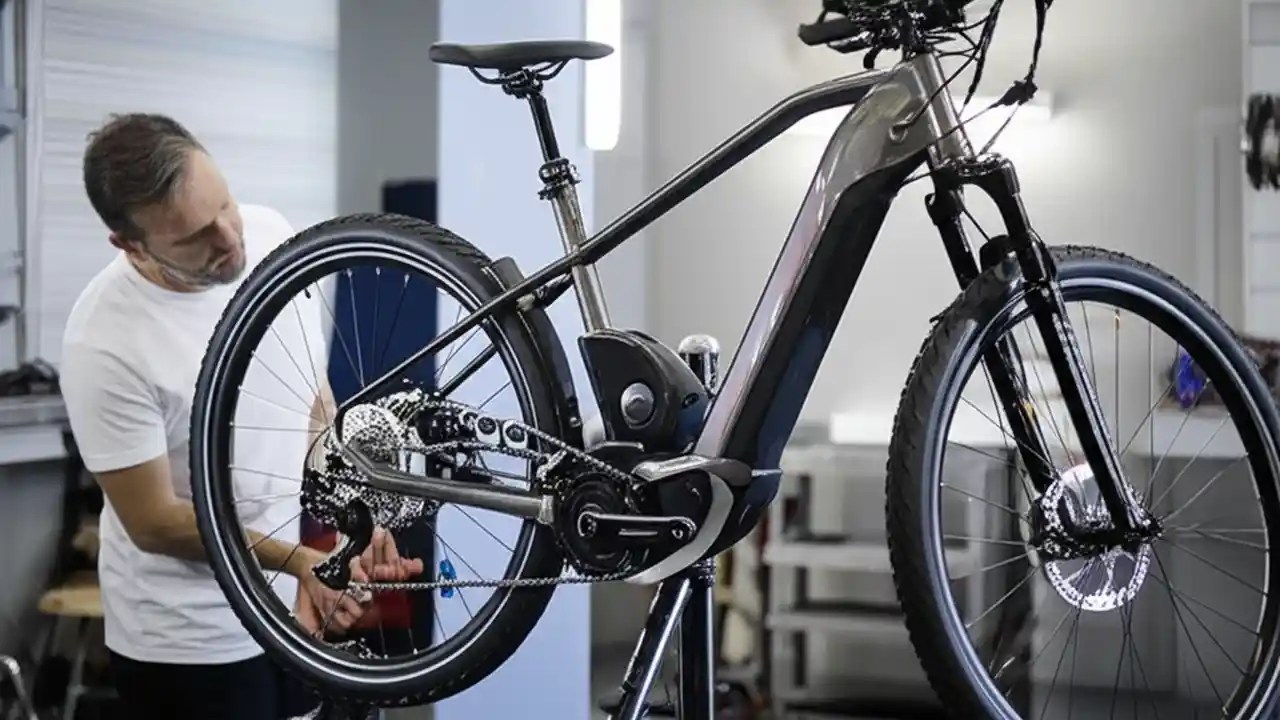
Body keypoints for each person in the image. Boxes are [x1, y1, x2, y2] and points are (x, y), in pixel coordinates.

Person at [58, 113, 424, 719]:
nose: (229, 238)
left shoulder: (272, 235)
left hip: (289, 609)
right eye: (195, 236)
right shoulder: (103, 341)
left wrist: (353, 525)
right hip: (188, 644)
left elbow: (312, 405)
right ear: (131, 245)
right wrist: (298, 561)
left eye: (225, 204)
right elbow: (154, 522)